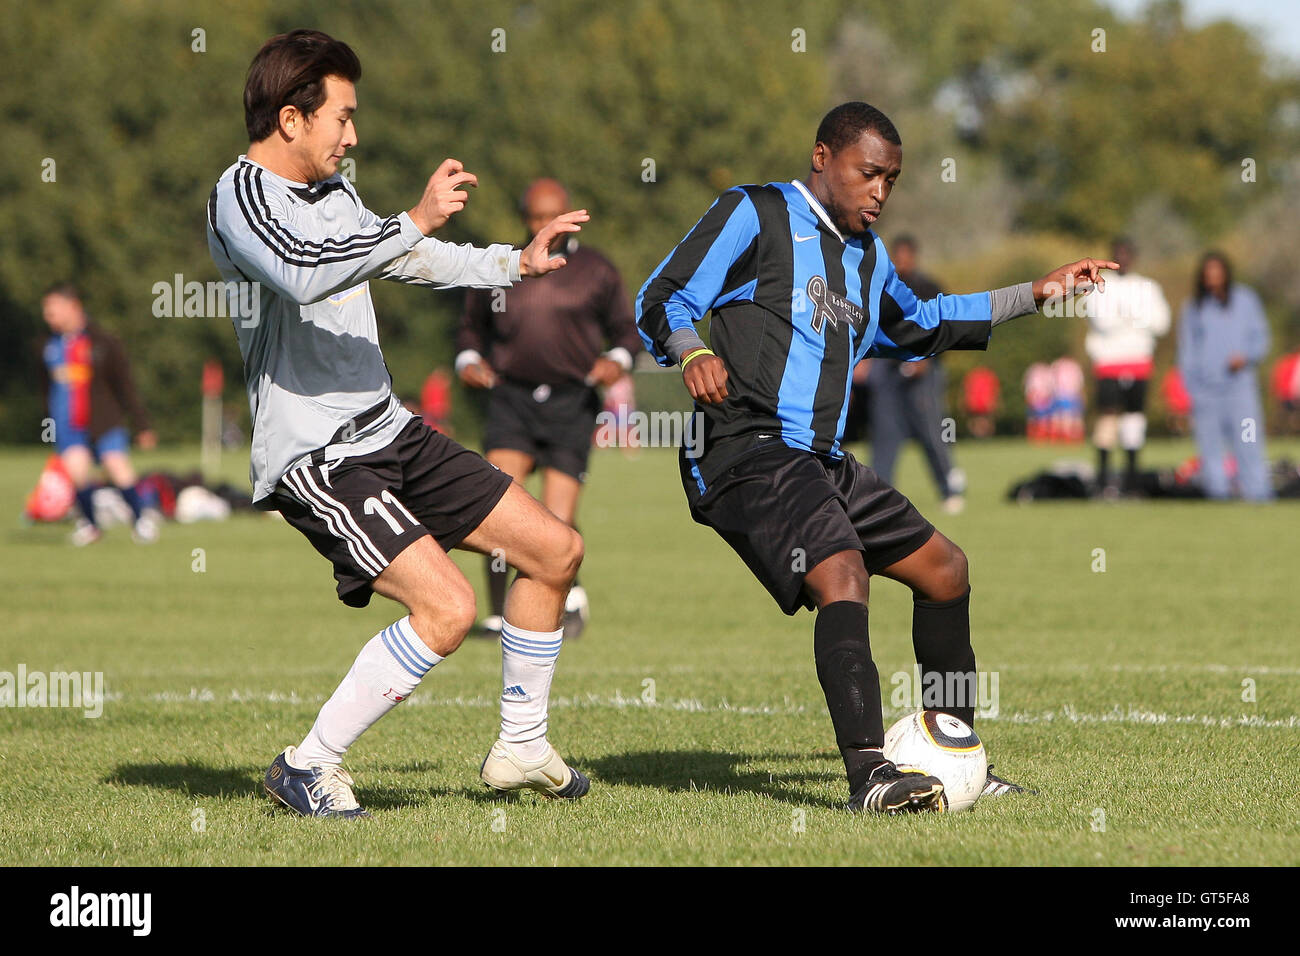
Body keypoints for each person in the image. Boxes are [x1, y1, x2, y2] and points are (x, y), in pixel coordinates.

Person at [636, 101, 1116, 814]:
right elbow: (663, 295)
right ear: (822, 157)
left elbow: (920, 326)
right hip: (742, 447)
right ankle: (871, 774)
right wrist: (692, 348)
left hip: (820, 460)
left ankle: (959, 754)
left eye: (892, 179)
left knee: (945, 571)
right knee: (842, 572)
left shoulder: (868, 258)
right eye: (869, 174)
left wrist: (1036, 294)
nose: (881, 193)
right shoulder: (756, 214)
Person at [207, 30, 592, 818]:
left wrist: (509, 264)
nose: (351, 135)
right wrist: (413, 216)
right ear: (290, 118)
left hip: (391, 429)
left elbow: (402, 258)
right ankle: (306, 766)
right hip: (319, 456)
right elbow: (306, 275)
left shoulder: (335, 192)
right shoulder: (240, 197)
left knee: (555, 551)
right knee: (448, 611)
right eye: (341, 118)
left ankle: (520, 745)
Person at [456, 178, 641, 638]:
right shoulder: (504, 264)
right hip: (511, 399)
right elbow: (470, 330)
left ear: (570, 215)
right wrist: (468, 360)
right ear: (525, 218)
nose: (544, 225)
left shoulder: (596, 270)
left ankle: (569, 600)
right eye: (535, 218)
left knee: (555, 521)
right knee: (497, 508)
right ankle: (499, 615)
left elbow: (627, 332)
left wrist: (614, 362)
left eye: (551, 216)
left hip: (571, 401)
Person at [38, 283, 159, 545]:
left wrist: (142, 425)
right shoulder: (48, 345)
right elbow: (45, 387)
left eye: (53, 311)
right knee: (78, 473)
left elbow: (125, 386)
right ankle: (91, 526)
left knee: (117, 467)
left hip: (104, 420)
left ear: (73, 307)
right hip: (68, 423)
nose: (48, 317)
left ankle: (141, 519)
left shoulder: (104, 342)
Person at [865, 235, 964, 513]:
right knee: (885, 432)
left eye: (907, 255)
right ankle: (877, 495)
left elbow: (946, 327)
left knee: (931, 430)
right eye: (898, 255)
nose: (903, 261)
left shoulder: (929, 287)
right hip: (888, 369)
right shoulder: (881, 288)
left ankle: (950, 488)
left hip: (925, 371)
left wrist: (928, 358)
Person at [1177, 251, 1272, 501]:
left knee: (1249, 441)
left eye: (1217, 272)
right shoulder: (1194, 307)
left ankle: (1258, 493)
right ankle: (1218, 496)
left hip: (1241, 391)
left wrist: (1247, 356)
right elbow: (1187, 351)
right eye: (1208, 273)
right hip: (1207, 391)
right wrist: (1192, 390)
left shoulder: (1246, 300)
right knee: (1210, 449)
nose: (1213, 278)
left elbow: (1261, 338)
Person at [1083, 238, 1170, 493]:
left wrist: (1129, 316)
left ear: (1134, 257)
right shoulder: (1099, 286)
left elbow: (1161, 322)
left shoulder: (1148, 287)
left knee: (1134, 419)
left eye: (1127, 254)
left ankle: (1132, 479)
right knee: (1107, 419)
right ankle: (1103, 479)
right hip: (1108, 364)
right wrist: (1136, 317)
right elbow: (1103, 321)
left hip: (1139, 363)